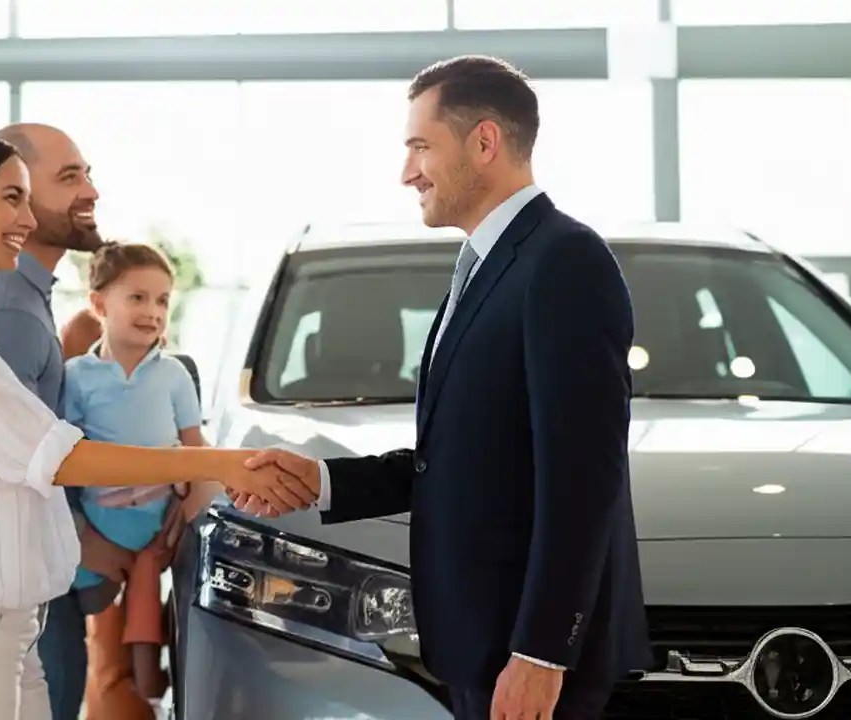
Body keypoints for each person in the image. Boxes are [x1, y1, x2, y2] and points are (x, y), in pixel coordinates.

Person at [234, 56, 651, 719]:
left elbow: (582, 479)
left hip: (530, 654)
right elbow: (466, 457)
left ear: (484, 142)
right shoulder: (483, 263)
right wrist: (322, 480)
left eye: (420, 147)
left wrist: (543, 653)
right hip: (478, 644)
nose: (407, 173)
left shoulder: (564, 261)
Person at [0, 133, 314, 720]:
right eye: (11, 198)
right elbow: (55, 455)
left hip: (4, 627)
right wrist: (214, 463)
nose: (25, 216)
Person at [0, 121, 117, 718]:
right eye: (70, 176)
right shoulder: (9, 312)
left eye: (87, 173)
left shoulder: (27, 300)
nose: (91, 191)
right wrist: (88, 540)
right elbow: (14, 465)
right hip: (16, 589)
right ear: (17, 199)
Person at [63, 241, 216, 718]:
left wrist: (187, 512)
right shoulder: (76, 377)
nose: (153, 311)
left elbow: (197, 452)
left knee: (159, 638)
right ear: (98, 304)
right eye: (138, 298)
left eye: (163, 300)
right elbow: (65, 460)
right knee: (105, 650)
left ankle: (150, 686)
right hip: (100, 532)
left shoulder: (173, 376)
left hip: (160, 534)